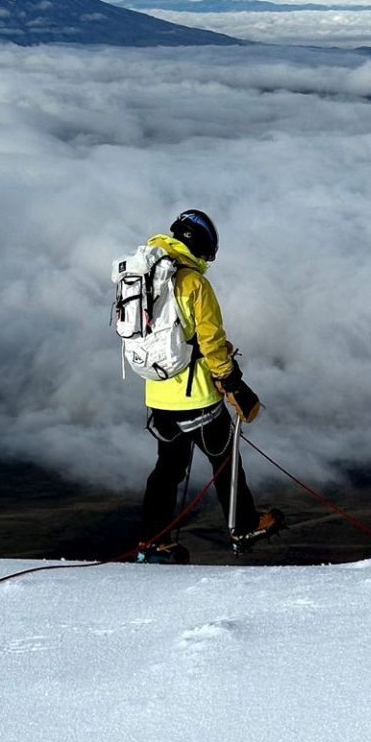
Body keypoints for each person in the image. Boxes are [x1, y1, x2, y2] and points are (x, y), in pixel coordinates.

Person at [138, 209, 282, 562]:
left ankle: (154, 539)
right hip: (197, 396)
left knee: (168, 469)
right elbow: (212, 342)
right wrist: (233, 382)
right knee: (225, 461)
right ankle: (244, 524)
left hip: (157, 394)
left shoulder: (145, 277)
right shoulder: (193, 284)